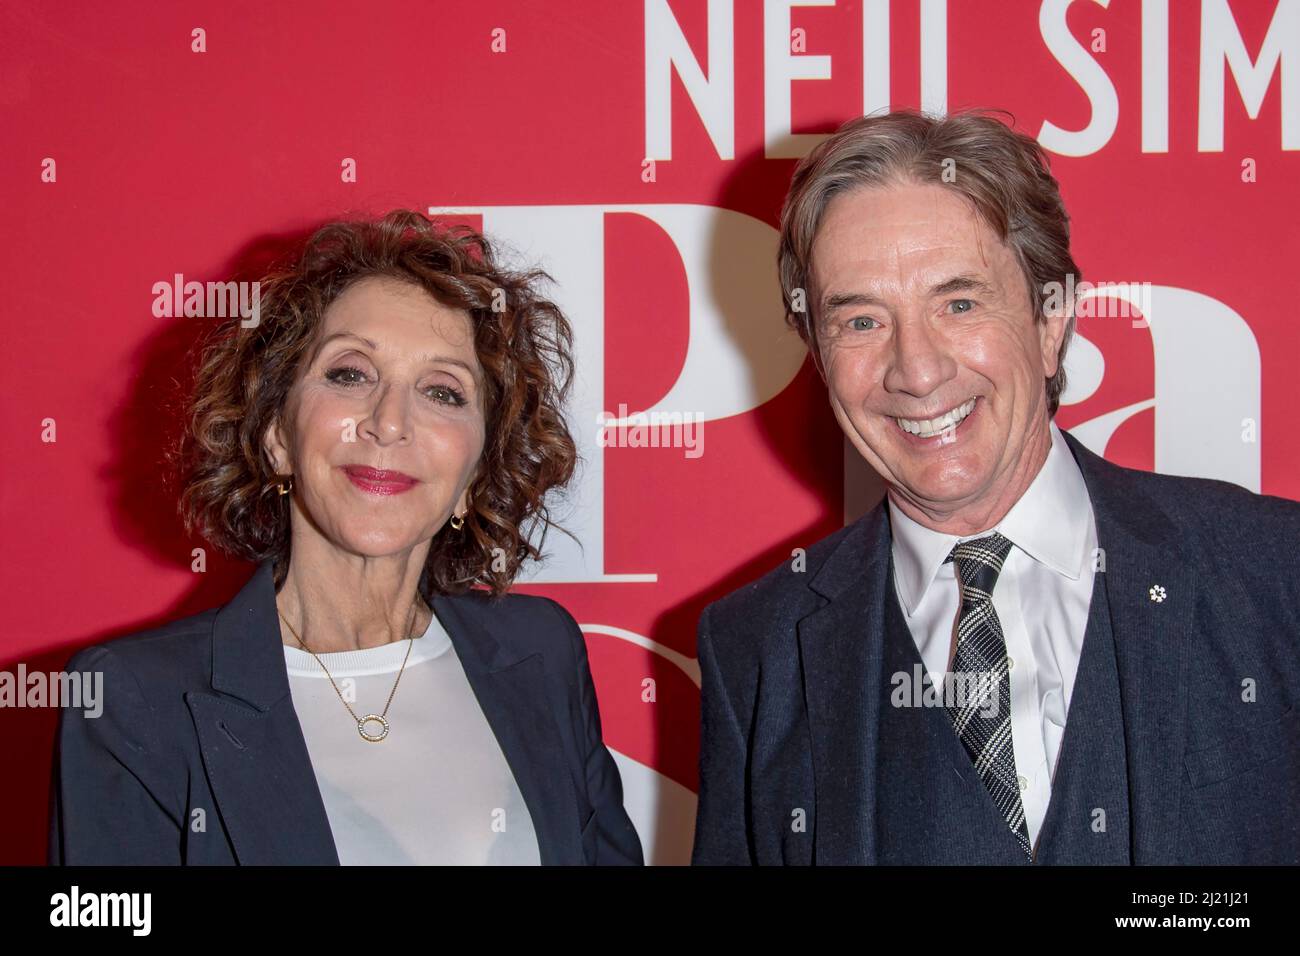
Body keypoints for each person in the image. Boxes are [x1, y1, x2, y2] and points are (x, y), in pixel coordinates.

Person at [691, 109, 1300, 865]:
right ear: (817, 354)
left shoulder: (1276, 572)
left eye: (959, 303)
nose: (916, 370)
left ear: (1051, 322)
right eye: (860, 321)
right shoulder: (757, 651)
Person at [49, 210, 643, 866]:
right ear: (276, 435)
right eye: (349, 374)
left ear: (476, 471)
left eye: (443, 392)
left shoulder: (542, 655)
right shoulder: (137, 700)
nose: (390, 422)